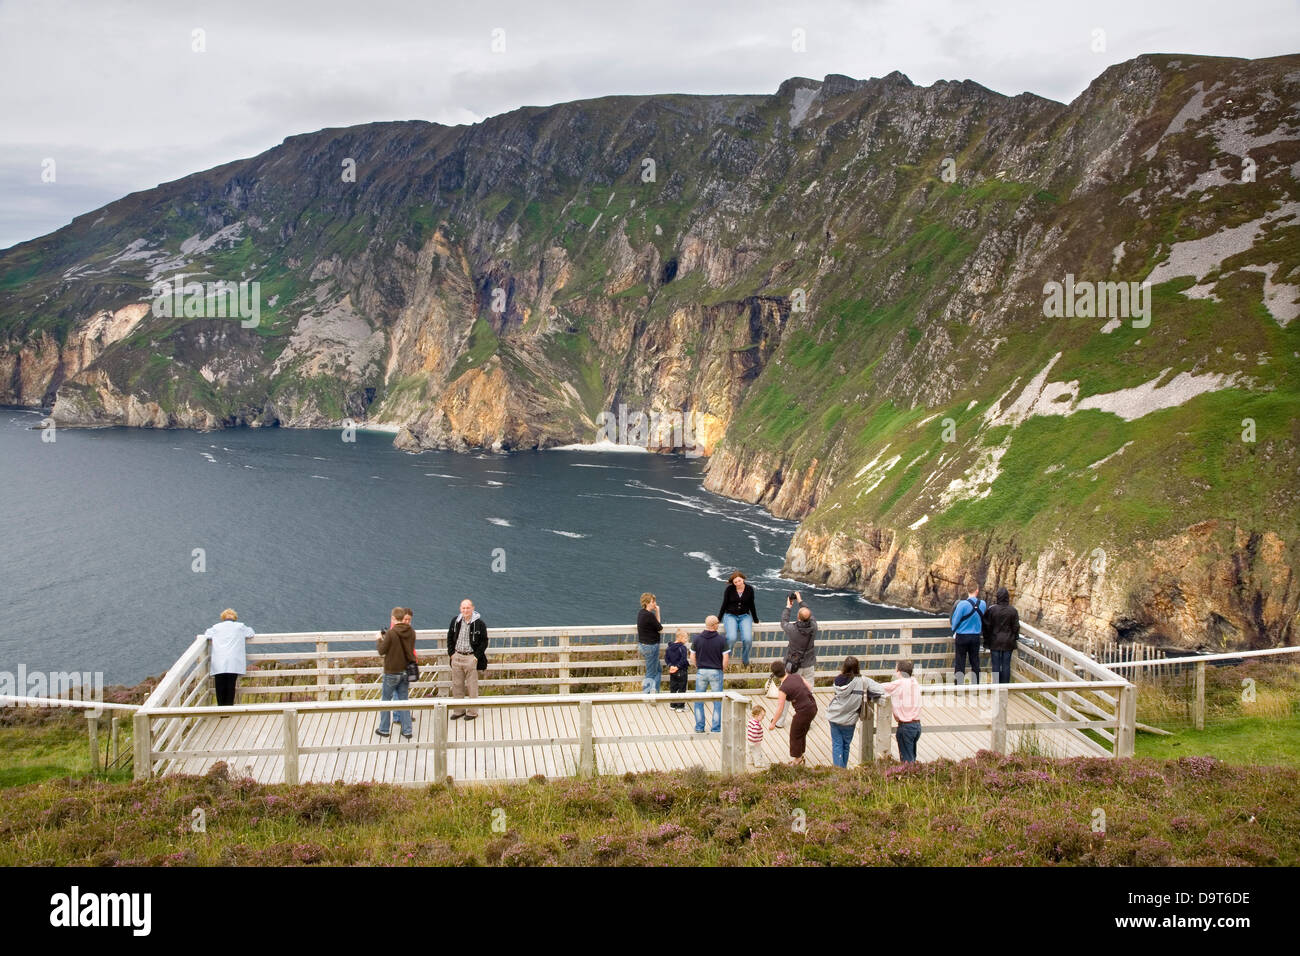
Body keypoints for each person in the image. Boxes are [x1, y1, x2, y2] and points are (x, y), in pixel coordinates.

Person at [776, 591, 817, 728]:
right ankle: (807, 721)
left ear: (798, 618)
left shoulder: (792, 629)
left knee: (788, 691)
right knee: (808, 692)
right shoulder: (814, 626)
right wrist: (801, 601)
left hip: (794, 665)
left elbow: (783, 622)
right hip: (809, 663)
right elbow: (809, 613)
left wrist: (788, 606)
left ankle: (780, 721)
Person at [376, 606, 417, 739]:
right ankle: (407, 730)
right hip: (406, 671)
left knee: (386, 701)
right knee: (404, 701)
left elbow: (382, 650)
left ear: (393, 618)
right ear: (403, 617)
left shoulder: (392, 633)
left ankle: (384, 729)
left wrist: (379, 639)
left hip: (392, 672)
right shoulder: (411, 631)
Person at [767, 660, 817, 765]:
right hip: (813, 706)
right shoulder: (796, 676)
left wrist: (773, 723)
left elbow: (780, 709)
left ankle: (797, 760)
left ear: (775, 675)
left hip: (803, 711)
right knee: (801, 732)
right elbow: (809, 687)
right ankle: (801, 755)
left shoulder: (783, 688)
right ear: (784, 669)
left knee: (795, 734)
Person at [446, 598, 489, 720]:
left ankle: (472, 712)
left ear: (473, 608)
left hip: (471, 657)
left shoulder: (480, 624)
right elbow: (449, 637)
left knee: (472, 686)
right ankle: (458, 710)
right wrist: (451, 654)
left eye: (468, 608)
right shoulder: (455, 621)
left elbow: (484, 642)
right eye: (463, 608)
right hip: (457, 656)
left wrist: (476, 657)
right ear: (460, 609)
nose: (465, 610)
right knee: (457, 685)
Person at [826, 656, 872, 768]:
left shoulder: (837, 680)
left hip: (835, 716)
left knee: (837, 744)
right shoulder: (861, 681)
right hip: (850, 720)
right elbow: (874, 690)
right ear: (857, 668)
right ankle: (843, 769)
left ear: (844, 667)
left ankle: (838, 770)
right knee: (846, 745)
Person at [205, 608, 255, 707]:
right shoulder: (240, 626)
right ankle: (228, 709)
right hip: (233, 661)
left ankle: (221, 709)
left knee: (219, 686)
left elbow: (207, 634)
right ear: (235, 618)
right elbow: (251, 633)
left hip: (219, 661)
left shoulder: (216, 627)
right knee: (230, 686)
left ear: (223, 618)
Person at [689, 616, 729, 733]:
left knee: (699, 700)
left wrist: (697, 666)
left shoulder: (697, 638)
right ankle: (715, 728)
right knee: (717, 702)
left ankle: (699, 727)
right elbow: (725, 658)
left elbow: (692, 656)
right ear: (714, 625)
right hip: (716, 671)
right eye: (718, 623)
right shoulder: (722, 640)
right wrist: (722, 669)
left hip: (702, 671)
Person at [878, 659, 922, 762]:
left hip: (905, 726)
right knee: (912, 758)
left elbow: (880, 687)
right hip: (917, 726)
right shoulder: (915, 682)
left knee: (906, 761)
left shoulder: (899, 683)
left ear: (900, 672)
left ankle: (909, 777)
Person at [718, 571, 759, 666]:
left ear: (743, 579)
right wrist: (719, 618)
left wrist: (755, 619)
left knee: (748, 639)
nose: (738, 583)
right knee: (731, 638)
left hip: (745, 616)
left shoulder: (750, 589)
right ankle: (725, 659)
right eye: (735, 582)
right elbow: (724, 604)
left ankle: (745, 660)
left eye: (739, 581)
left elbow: (752, 605)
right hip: (730, 615)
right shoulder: (729, 589)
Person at [950, 580, 986, 684]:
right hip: (975, 636)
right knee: (975, 662)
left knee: (960, 662)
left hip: (962, 636)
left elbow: (955, 621)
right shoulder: (982, 604)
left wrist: (954, 630)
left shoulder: (962, 605)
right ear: (977, 591)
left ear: (967, 590)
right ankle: (976, 686)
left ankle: (959, 686)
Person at [983, 587, 1021, 683]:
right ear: (1007, 597)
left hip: (995, 640)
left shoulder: (992, 610)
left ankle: (996, 686)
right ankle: (1005, 688)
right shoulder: (1013, 611)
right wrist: (1015, 636)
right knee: (1006, 665)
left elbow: (987, 625)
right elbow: (1016, 626)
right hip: (1008, 641)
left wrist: (987, 639)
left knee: (996, 664)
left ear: (998, 597)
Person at [636, 592, 664, 697]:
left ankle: (655, 693)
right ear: (647, 603)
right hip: (651, 646)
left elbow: (655, 625)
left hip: (643, 645)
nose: (655, 604)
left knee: (658, 670)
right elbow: (660, 628)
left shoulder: (641, 613)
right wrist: (658, 612)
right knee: (651, 672)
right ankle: (647, 695)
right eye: (653, 602)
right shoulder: (649, 615)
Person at [665, 630, 690, 710]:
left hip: (672, 671)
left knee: (673, 687)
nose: (687, 640)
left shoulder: (669, 647)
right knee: (682, 688)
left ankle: (672, 705)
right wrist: (678, 667)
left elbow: (666, 658)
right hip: (681, 671)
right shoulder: (682, 648)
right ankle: (680, 706)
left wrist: (670, 666)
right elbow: (683, 660)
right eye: (685, 638)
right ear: (680, 638)